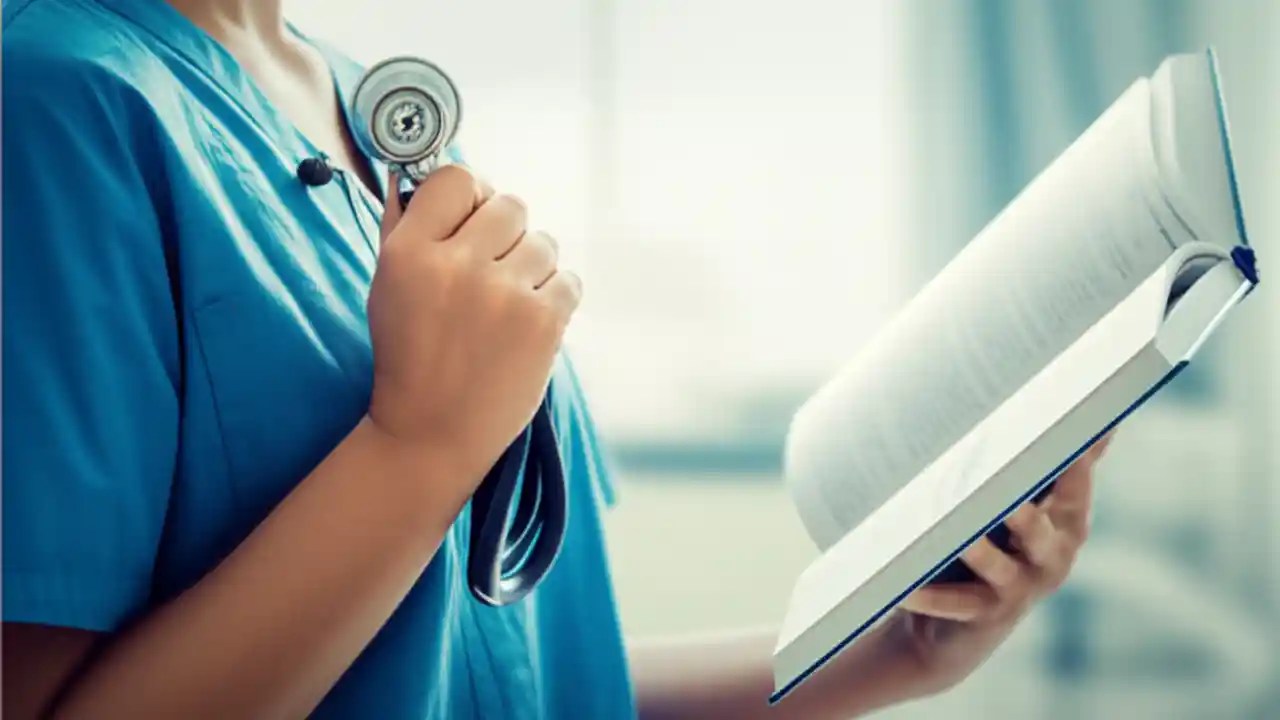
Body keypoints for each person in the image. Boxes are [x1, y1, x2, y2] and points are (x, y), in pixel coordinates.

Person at [0, 0, 1114, 718]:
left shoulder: (361, 100)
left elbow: (512, 678)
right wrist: (415, 451)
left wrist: (894, 657)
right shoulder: (48, 104)